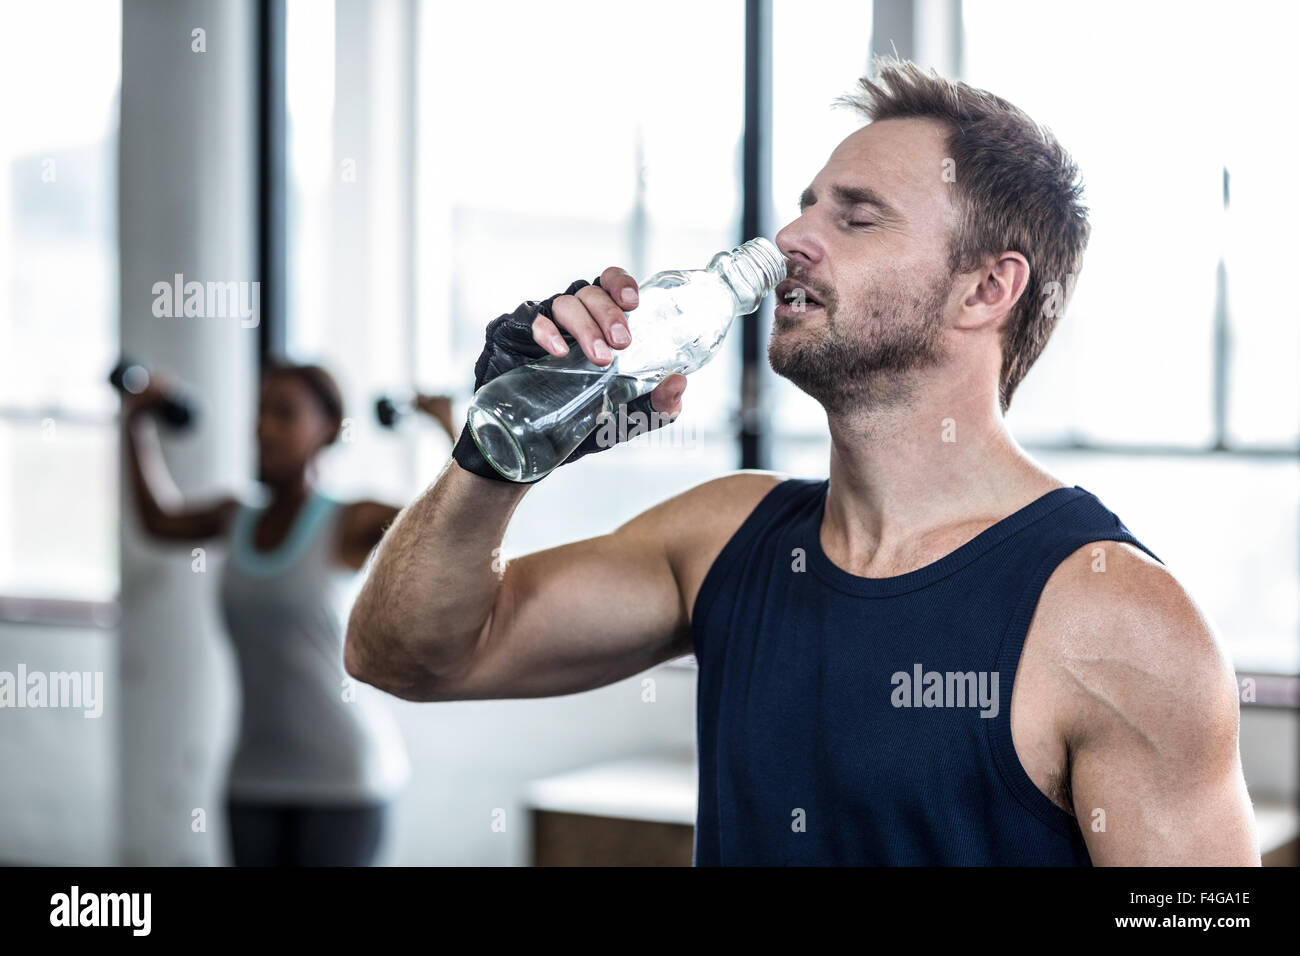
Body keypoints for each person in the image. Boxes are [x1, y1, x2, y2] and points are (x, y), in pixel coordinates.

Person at [344, 58, 1260, 865]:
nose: (790, 241)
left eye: (857, 218)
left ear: (986, 288)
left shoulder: (1117, 618)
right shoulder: (723, 538)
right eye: (805, 206)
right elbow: (403, 656)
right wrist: (498, 453)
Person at [122, 359, 455, 866]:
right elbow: (157, 521)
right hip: (252, 775)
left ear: (324, 428)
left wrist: (447, 426)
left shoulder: (350, 520)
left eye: (283, 413)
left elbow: (449, 530)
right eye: (260, 412)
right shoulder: (235, 517)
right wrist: (134, 423)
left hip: (343, 781)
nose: (262, 428)